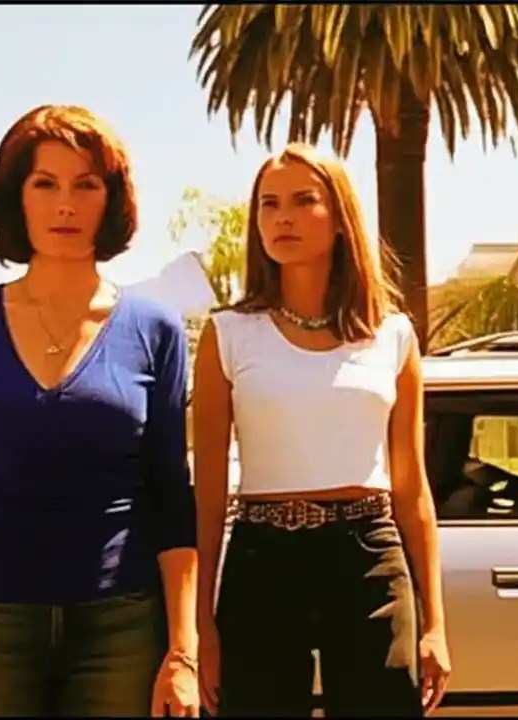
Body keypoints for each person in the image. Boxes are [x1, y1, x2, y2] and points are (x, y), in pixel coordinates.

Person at [0, 104, 199, 718]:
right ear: (17, 198)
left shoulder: (156, 330)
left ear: (110, 201)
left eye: (86, 185)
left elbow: (170, 494)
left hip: (122, 629)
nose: (66, 204)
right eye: (46, 183)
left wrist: (182, 650)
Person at [192, 143, 453, 717]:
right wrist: (199, 627)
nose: (282, 217)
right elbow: (208, 493)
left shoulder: (393, 336)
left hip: (367, 556)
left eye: (303, 200)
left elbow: (412, 488)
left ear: (339, 218)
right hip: (262, 560)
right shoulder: (228, 335)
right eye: (269, 204)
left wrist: (435, 623)